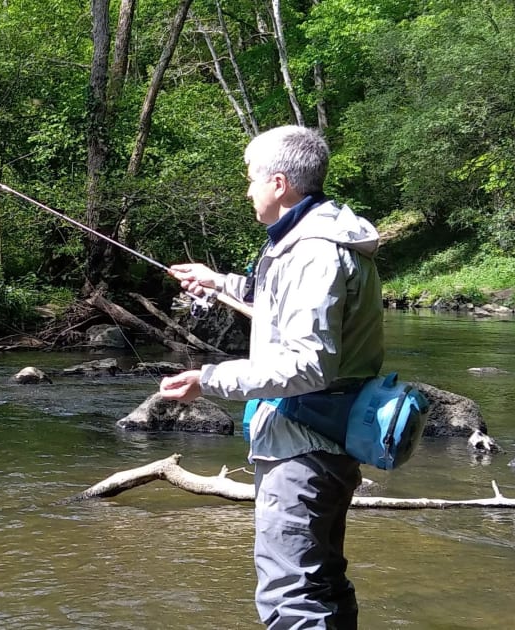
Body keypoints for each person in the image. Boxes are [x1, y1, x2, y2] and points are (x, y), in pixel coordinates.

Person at [159, 125, 384, 629]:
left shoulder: (313, 251)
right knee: (322, 582)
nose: (247, 190)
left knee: (293, 596)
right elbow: (289, 305)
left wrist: (210, 380)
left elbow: (309, 364)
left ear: (279, 183)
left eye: (250, 179)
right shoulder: (314, 238)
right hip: (322, 439)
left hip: (303, 445)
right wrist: (220, 282)